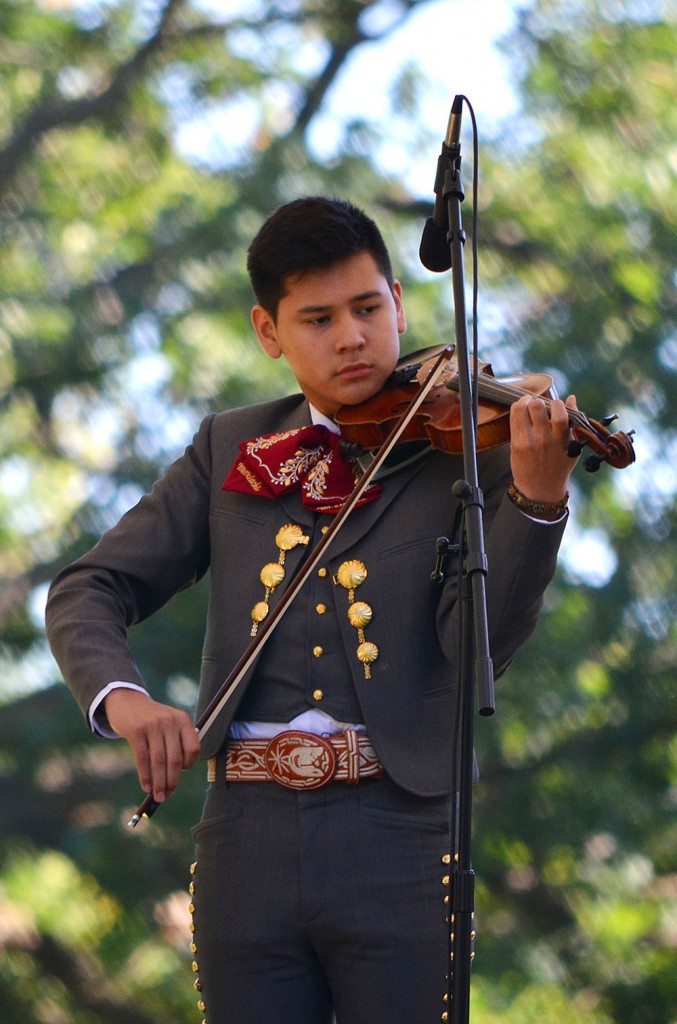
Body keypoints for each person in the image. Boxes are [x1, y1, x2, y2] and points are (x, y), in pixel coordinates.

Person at [46, 196, 577, 1024]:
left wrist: (535, 506)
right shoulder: (229, 447)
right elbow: (88, 586)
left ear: (398, 304)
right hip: (246, 838)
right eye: (318, 318)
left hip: (401, 835)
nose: (351, 337)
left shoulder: (470, 451)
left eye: (368, 309)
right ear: (269, 333)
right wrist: (125, 698)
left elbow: (477, 650)